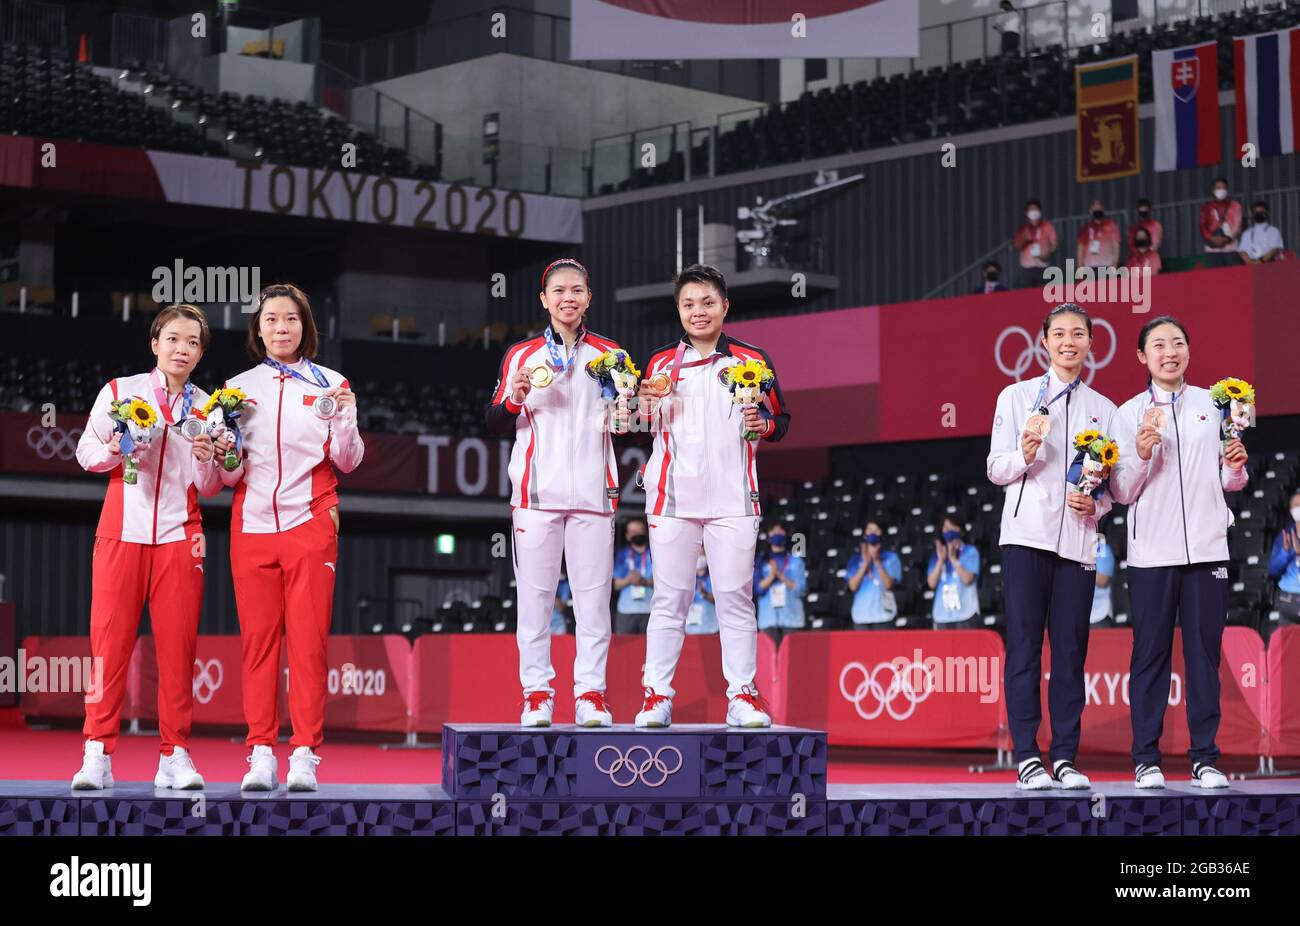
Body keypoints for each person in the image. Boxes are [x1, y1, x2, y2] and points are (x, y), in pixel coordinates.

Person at [70, 304, 226, 791]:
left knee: (178, 652)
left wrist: (206, 460)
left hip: (182, 537)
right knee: (109, 647)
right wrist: (119, 448)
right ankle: (97, 751)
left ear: (200, 354)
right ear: (155, 342)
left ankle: (175, 754)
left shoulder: (210, 407)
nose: (183, 349)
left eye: (193, 343)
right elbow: (86, 453)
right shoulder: (119, 392)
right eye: (174, 339)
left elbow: (213, 484)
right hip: (121, 532)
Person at [633, 263, 790, 729]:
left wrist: (766, 424)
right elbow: (642, 425)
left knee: (735, 597)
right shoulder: (660, 364)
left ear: (725, 306)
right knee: (669, 599)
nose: (698, 312)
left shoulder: (752, 360)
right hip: (672, 499)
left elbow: (782, 420)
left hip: (734, 499)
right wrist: (640, 408)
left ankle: (742, 695)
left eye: (707, 302)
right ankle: (656, 696)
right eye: (688, 304)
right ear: (678, 310)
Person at [221, 283, 365, 791]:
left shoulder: (332, 383)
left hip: (310, 523)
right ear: (257, 329)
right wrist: (225, 451)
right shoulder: (237, 389)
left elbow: (347, 461)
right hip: (252, 526)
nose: (281, 328)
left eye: (290, 319)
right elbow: (229, 476)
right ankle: (261, 752)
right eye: (271, 320)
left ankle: (304, 753)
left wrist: (345, 418)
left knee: (308, 646)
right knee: (258, 646)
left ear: (306, 326)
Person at [485, 258, 627, 728]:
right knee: (535, 601)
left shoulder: (611, 356)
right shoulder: (521, 356)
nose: (569, 297)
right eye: (559, 290)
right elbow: (494, 422)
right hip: (536, 496)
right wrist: (515, 397)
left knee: (592, 603)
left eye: (578, 290)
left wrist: (631, 406)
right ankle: (537, 694)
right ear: (544, 300)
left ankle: (590, 695)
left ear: (589, 298)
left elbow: (628, 427)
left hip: (593, 495)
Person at [1110, 316, 1248, 791]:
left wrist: (1235, 467)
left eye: (1179, 343)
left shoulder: (1215, 403)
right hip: (1151, 555)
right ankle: (1146, 759)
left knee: (1203, 658)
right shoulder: (1126, 415)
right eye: (1159, 345)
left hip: (1208, 552)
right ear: (1141, 356)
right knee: (1149, 656)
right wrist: (1143, 454)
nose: (1170, 351)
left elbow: (1231, 483)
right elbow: (1122, 491)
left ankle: (1205, 759)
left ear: (1188, 351)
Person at [987, 302, 1117, 791]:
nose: (1069, 341)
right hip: (1026, 539)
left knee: (1070, 654)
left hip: (1079, 547)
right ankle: (1027, 756)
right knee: (1023, 649)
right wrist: (1024, 453)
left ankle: (1064, 756)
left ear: (1089, 342)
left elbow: (1109, 486)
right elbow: (995, 469)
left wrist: (1097, 507)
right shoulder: (1016, 397)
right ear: (1043, 341)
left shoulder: (1103, 410)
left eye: (1078, 333)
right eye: (1059, 333)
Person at [846, 521, 903, 628]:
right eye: (869, 530)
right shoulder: (855, 560)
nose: (872, 534)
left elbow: (888, 585)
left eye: (876, 530)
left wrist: (876, 561)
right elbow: (853, 586)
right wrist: (865, 563)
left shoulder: (891, 557)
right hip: (861, 617)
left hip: (884, 617)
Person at [926, 517, 981, 629]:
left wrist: (953, 559)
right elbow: (931, 583)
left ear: (960, 530)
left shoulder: (970, 551)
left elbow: (967, 579)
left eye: (953, 527)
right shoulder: (936, 556)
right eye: (946, 528)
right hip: (942, 615)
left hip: (965, 614)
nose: (949, 530)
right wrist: (941, 560)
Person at [755, 523, 807, 637]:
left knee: (790, 654)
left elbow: (801, 589)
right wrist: (771, 576)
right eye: (773, 531)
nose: (777, 534)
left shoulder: (796, 561)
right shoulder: (761, 561)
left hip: (791, 619)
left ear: (785, 534)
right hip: (768, 619)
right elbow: (757, 589)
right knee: (771, 654)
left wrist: (780, 575)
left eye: (780, 531)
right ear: (768, 535)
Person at [612, 518, 653, 634]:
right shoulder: (621, 554)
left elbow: (664, 582)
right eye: (633, 532)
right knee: (625, 649)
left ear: (646, 532)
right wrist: (629, 580)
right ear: (627, 535)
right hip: (626, 610)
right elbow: (614, 585)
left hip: (650, 610)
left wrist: (645, 582)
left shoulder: (654, 553)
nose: (637, 534)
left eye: (640, 531)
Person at [1268, 493, 1300, 631]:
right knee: (1288, 648)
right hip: (1288, 599)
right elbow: (1273, 570)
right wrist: (1285, 553)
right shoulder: (1285, 536)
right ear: (1291, 510)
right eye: (1296, 505)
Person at [1014, 199, 1058, 289]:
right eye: (1031, 210)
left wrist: (1048, 253)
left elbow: (1054, 244)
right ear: (1027, 213)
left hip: (1043, 266)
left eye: (1035, 209)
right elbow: (1017, 246)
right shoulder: (1022, 229)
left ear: (1040, 211)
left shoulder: (1047, 226)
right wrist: (1024, 239)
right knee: (1026, 296)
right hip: (1027, 268)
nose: (1033, 212)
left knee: (1045, 294)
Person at [1199, 177, 1242, 263]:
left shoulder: (1235, 205)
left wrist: (1228, 239)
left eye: (1223, 188)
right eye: (1218, 188)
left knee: (1234, 274)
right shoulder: (1206, 207)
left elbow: (1237, 224)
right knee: (1216, 275)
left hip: (1231, 247)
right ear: (1212, 190)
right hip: (1213, 248)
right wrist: (1211, 238)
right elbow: (1203, 225)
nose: (1221, 190)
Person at [1077, 199, 1120, 270]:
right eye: (1095, 208)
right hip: (1089, 267)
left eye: (1099, 208)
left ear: (1103, 210)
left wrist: (1115, 263)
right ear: (1091, 211)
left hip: (1107, 265)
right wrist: (1079, 266)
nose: (1097, 210)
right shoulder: (1086, 228)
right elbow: (1080, 247)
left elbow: (1116, 245)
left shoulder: (1111, 225)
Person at [1239, 200, 1284, 264]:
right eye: (1256, 212)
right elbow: (1242, 251)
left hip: (1269, 264)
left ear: (1267, 213)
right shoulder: (1247, 233)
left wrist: (1261, 261)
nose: (1258, 213)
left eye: (1261, 211)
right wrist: (1250, 262)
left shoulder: (1274, 231)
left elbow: (1275, 249)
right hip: (1251, 265)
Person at [685, 554, 718, 635]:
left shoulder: (713, 576)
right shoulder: (689, 577)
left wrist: (704, 593)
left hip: (710, 625)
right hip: (692, 624)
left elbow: (719, 600)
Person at [1091, 533, 1116, 626]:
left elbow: (1102, 580)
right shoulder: (1069, 551)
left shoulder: (1101, 548)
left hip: (1099, 615)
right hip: (1075, 613)